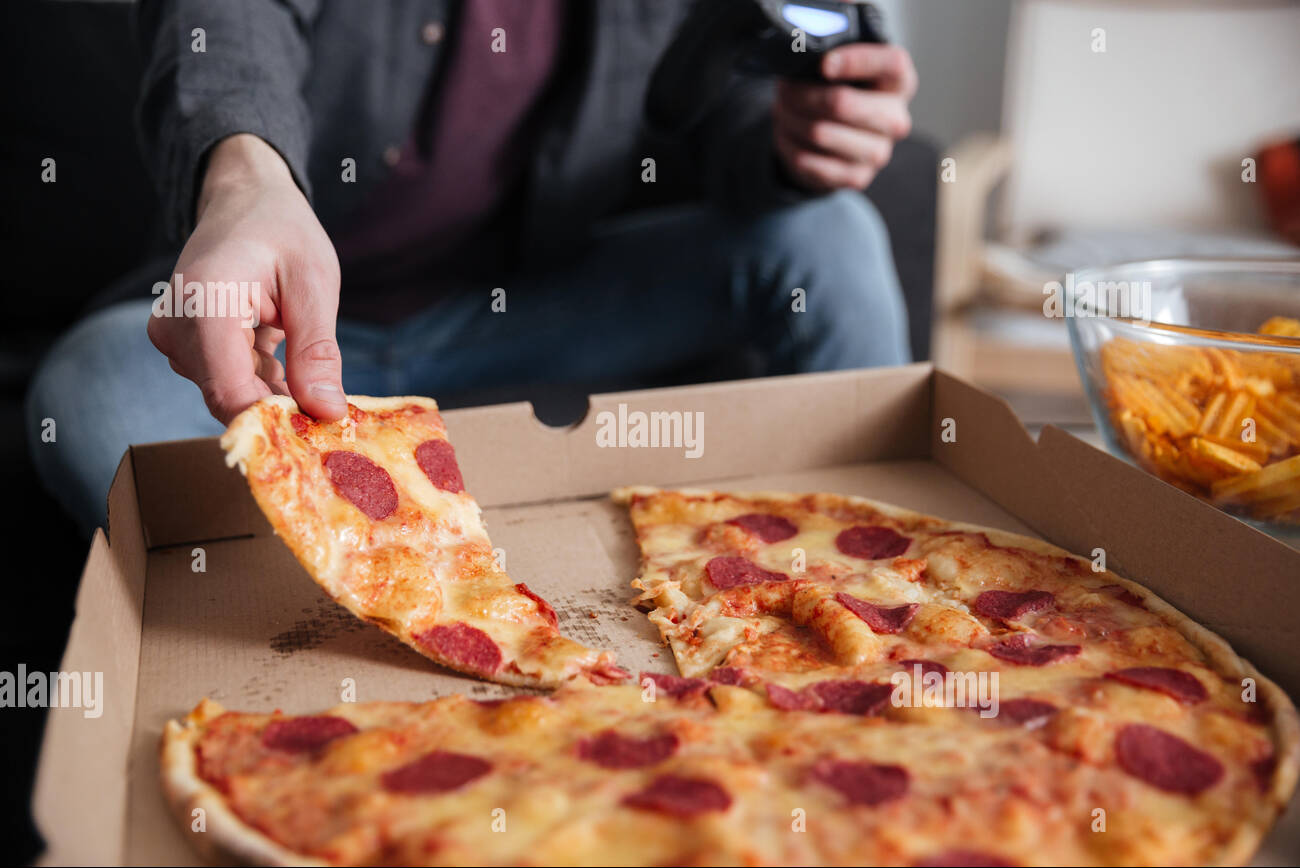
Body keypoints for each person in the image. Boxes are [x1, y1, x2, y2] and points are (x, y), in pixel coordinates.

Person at [26, 0, 918, 536]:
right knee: (93, 390)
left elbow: (712, 109)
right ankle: (339, 611)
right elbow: (227, 21)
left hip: (532, 312)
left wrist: (795, 141)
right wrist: (244, 175)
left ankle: (851, 593)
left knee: (831, 238)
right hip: (276, 341)